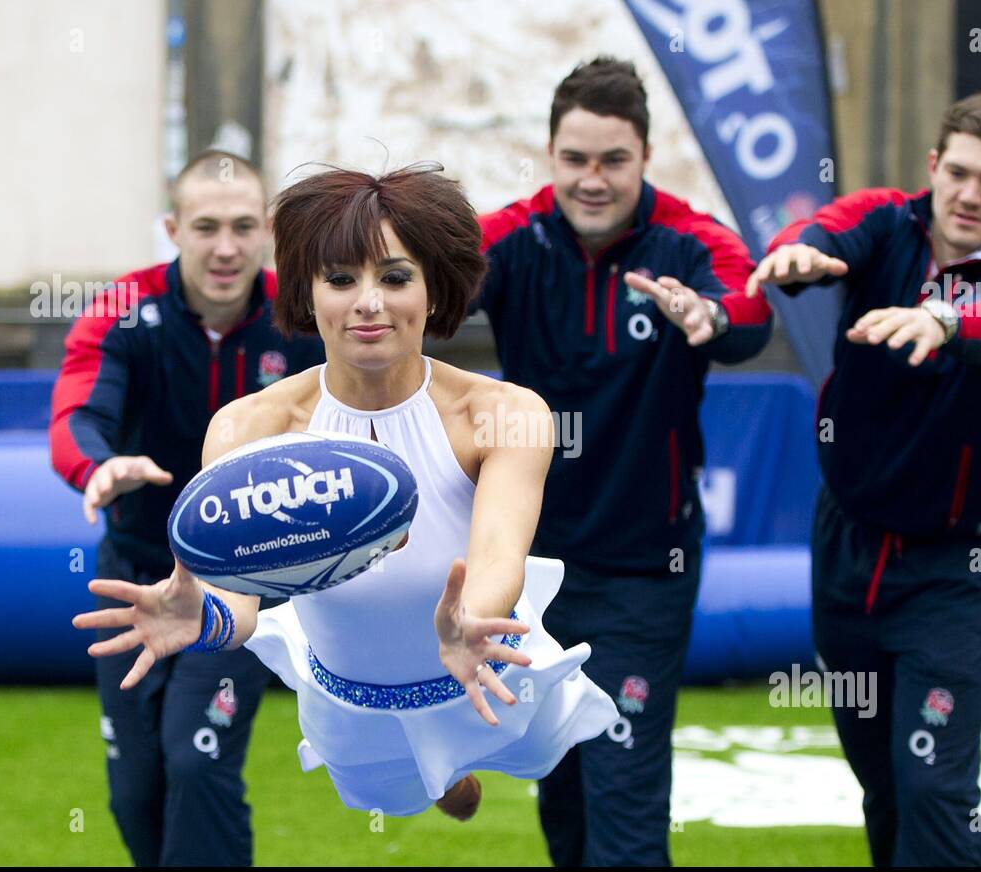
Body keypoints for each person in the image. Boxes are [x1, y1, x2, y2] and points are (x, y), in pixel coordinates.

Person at [72, 164, 620, 823]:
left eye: (394, 277)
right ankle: (444, 782)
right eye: (340, 279)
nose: (368, 302)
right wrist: (205, 617)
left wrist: (467, 622)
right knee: (393, 794)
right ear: (305, 294)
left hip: (483, 668)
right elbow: (239, 598)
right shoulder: (252, 427)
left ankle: (456, 766)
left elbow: (501, 552)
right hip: (350, 699)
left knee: (534, 749)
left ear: (435, 291)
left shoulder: (502, 413)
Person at [747, 92, 981, 866]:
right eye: (957, 172)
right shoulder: (889, 221)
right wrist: (800, 248)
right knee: (885, 784)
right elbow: (827, 228)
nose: (968, 194)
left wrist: (944, 320)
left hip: (958, 569)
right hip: (848, 551)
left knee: (935, 786)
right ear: (933, 167)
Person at [473, 57, 773, 866]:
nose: (593, 180)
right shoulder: (515, 234)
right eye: (575, 160)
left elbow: (749, 307)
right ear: (550, 155)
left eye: (613, 161)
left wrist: (707, 313)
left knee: (627, 800)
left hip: (646, 570)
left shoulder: (688, 238)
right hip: (532, 573)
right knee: (562, 799)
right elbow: (427, 278)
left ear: (644, 158)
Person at [50, 150, 325, 866]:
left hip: (242, 587)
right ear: (173, 229)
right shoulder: (122, 310)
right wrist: (99, 464)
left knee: (198, 762)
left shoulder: (303, 318)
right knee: (134, 789)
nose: (225, 247)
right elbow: (78, 413)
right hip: (137, 579)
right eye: (206, 227)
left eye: (241, 227)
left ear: (267, 229)